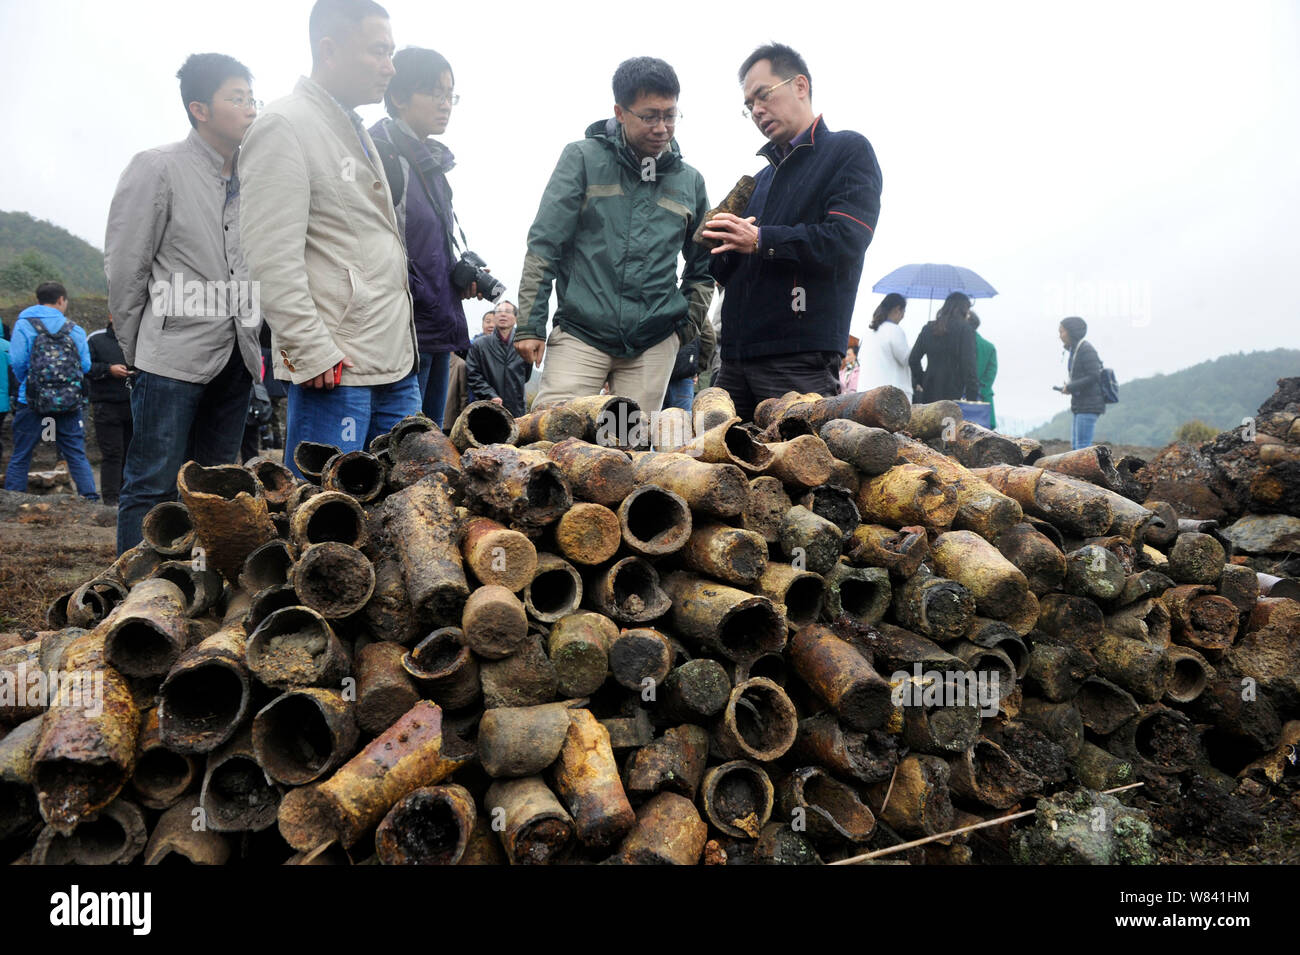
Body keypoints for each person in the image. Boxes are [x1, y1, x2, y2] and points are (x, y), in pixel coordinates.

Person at [239, 0, 419, 480]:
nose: (390, 66)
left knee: (409, 505)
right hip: (335, 366)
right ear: (329, 49)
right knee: (327, 514)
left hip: (395, 361)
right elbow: (268, 254)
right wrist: (307, 346)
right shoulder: (285, 124)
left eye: (392, 52)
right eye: (379, 51)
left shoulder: (355, 127)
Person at [105, 52, 262, 553]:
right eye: (237, 98)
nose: (250, 109)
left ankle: (198, 594)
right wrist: (139, 352)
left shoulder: (255, 179)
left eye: (252, 98)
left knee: (215, 487)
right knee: (151, 483)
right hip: (168, 357)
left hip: (237, 357)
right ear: (200, 108)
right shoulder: (158, 167)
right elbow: (126, 267)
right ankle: (133, 595)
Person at [515, 56, 713, 427]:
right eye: (649, 116)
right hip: (581, 333)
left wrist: (683, 327)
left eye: (670, 115)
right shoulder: (582, 159)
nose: (662, 127)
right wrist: (530, 323)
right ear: (620, 112)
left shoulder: (690, 182)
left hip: (653, 343)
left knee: (625, 448)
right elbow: (545, 243)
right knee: (554, 435)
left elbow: (704, 265)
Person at [703, 43, 882, 422]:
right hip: (734, 360)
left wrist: (761, 240)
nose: (756, 110)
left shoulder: (847, 151)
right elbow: (724, 273)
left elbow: (845, 238)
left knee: (803, 472)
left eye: (763, 95)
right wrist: (716, 245)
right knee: (716, 472)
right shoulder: (758, 181)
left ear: (800, 85)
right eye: (749, 104)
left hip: (798, 359)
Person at [369, 46, 474, 428]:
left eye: (450, 95)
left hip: (435, 329)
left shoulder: (432, 165)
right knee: (399, 444)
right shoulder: (379, 153)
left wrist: (457, 278)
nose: (445, 104)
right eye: (435, 93)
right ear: (398, 96)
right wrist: (426, 293)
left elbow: (429, 247)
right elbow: (378, 244)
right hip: (402, 328)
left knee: (427, 443)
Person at [3, 283, 98, 500]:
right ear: (62, 300)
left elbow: (17, 361)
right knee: (75, 453)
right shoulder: (74, 329)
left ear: (38, 300)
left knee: (21, 453)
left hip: (32, 399)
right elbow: (85, 366)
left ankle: (12, 501)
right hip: (69, 401)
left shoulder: (24, 324)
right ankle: (90, 499)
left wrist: (29, 383)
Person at [86, 316, 134, 506]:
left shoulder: (138, 338)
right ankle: (111, 499)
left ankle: (128, 496)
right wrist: (108, 369)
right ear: (111, 316)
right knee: (113, 453)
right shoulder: (96, 339)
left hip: (134, 405)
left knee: (132, 453)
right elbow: (85, 366)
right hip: (106, 405)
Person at [908, 292, 980, 404]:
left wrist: (923, 380)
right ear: (963, 309)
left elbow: (913, 359)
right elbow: (969, 366)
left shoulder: (928, 328)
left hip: (929, 393)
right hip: (954, 394)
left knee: (930, 421)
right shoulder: (965, 330)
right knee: (949, 421)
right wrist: (972, 396)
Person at [465, 301, 530, 417]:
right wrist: (490, 394)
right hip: (487, 408)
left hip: (516, 410)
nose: (503, 314)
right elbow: (473, 374)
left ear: (515, 318)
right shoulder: (479, 345)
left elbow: (526, 375)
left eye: (508, 312)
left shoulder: (523, 344)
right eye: (499, 311)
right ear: (494, 317)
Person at [1057, 315, 1104, 450]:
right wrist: (1069, 388)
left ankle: (1087, 471)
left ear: (1072, 331)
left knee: (1082, 448)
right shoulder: (1076, 349)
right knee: (1077, 447)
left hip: (1089, 404)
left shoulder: (1086, 349)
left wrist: (1070, 387)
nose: (1060, 335)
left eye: (1062, 331)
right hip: (1081, 404)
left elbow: (1094, 375)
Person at [862, 292, 910, 394]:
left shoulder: (868, 332)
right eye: (903, 312)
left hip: (865, 393)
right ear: (898, 309)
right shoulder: (894, 330)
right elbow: (906, 359)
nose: (903, 316)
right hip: (888, 396)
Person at [968, 311, 998, 430]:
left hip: (962, 402)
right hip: (984, 400)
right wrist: (981, 389)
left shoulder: (961, 345)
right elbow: (991, 373)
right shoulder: (989, 347)